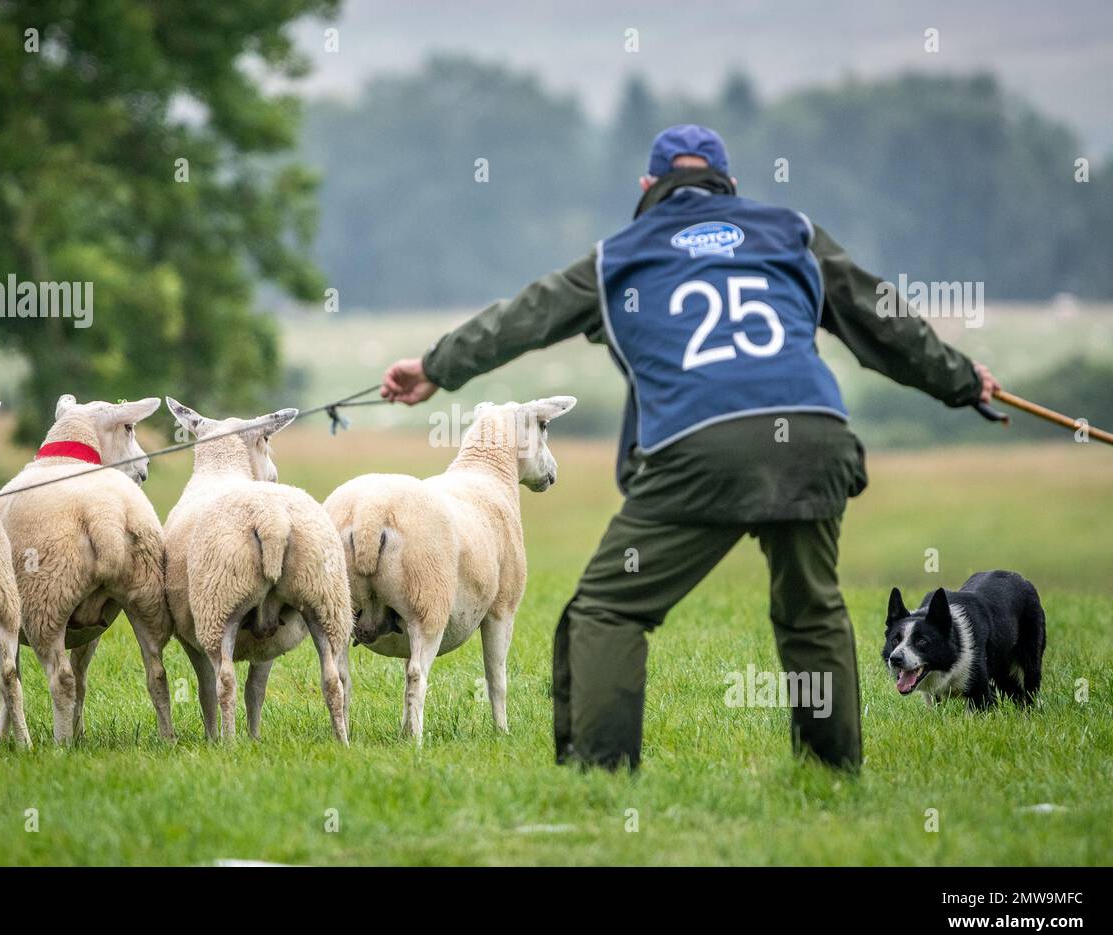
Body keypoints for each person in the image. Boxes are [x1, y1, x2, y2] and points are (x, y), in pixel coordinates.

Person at [379, 124, 999, 772]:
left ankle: (602, 778)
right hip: (813, 438)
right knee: (812, 612)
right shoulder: (793, 231)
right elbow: (886, 318)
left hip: (699, 448)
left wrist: (435, 367)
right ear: (728, 184)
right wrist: (960, 380)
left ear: (649, 187)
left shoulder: (617, 255)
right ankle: (832, 774)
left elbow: (521, 318)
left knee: (610, 610)